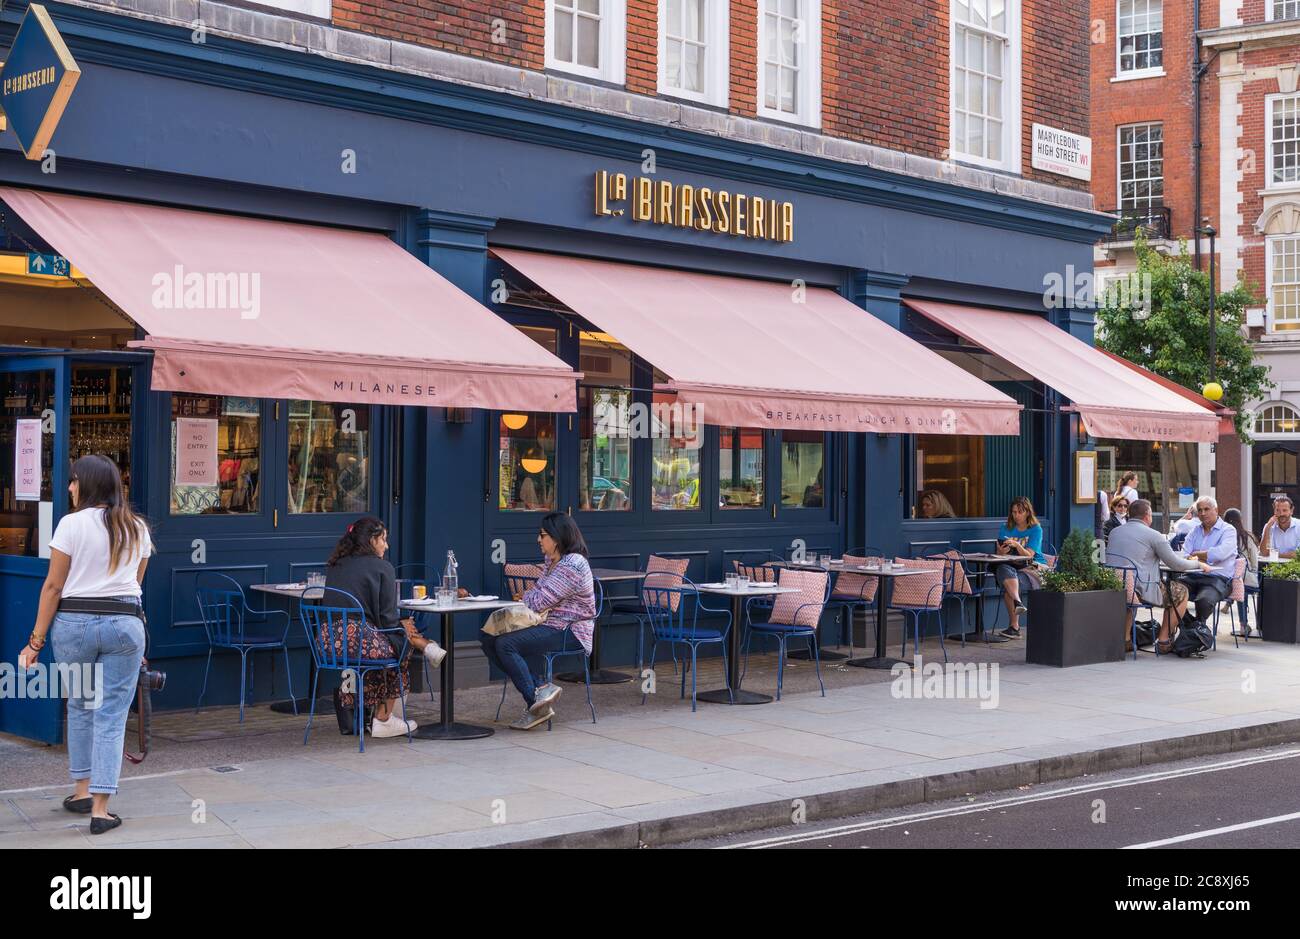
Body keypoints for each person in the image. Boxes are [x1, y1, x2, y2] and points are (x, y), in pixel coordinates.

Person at [17, 455, 152, 835]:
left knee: (79, 706)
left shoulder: (70, 525)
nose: (70, 488)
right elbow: (135, 586)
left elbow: (53, 586)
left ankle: (80, 791)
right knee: (110, 716)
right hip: (125, 625)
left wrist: (35, 642)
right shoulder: (137, 527)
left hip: (73, 624)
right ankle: (100, 809)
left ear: (88, 484)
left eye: (74, 481)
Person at [323, 516, 454, 738]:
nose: (387, 545)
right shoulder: (382, 567)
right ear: (372, 540)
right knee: (400, 643)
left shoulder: (336, 564)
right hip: (360, 642)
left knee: (391, 638)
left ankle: (425, 646)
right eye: (383, 539)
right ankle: (384, 718)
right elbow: (387, 619)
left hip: (330, 642)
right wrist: (403, 626)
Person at [480, 512, 597, 731]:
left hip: (571, 631)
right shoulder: (552, 561)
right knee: (488, 638)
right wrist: (531, 594)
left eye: (542, 535)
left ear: (558, 537)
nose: (538, 539)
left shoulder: (573, 564)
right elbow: (539, 595)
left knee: (506, 644)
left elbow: (540, 600)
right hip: (549, 624)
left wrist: (525, 595)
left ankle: (536, 701)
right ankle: (539, 692)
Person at [1107, 499, 1207, 652]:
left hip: (1116, 585)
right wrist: (1199, 564)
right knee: (1180, 592)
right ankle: (1164, 641)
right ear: (1148, 516)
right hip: (1140, 588)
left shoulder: (1115, 532)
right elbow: (1177, 564)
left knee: (1130, 593)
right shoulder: (1153, 535)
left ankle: (1125, 640)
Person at [1177, 496, 1237, 628]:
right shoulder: (1194, 531)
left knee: (1204, 601)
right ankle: (1193, 627)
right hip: (1192, 576)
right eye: (1200, 510)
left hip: (1218, 579)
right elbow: (1184, 554)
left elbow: (1220, 554)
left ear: (1216, 510)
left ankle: (1196, 630)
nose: (1203, 513)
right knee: (1171, 593)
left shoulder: (1228, 530)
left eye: (1206, 509)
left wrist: (1197, 554)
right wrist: (1205, 556)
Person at [993, 496, 1045, 639]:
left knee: (1008, 589)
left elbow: (1029, 555)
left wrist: (1017, 545)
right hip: (1011, 566)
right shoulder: (1006, 527)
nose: (1016, 515)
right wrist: (1001, 552)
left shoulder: (1035, 529)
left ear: (1027, 512)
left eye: (1020, 512)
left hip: (1032, 568)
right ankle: (1018, 602)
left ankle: (1014, 627)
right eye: (1014, 512)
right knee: (1002, 567)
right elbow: (1000, 553)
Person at [1223, 507, 1259, 633]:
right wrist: (1254, 571)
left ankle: (1228, 601)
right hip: (1243, 580)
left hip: (1223, 581)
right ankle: (1244, 625)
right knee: (1241, 585)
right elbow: (1254, 561)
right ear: (1240, 520)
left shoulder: (1221, 536)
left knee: (1237, 583)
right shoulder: (1246, 536)